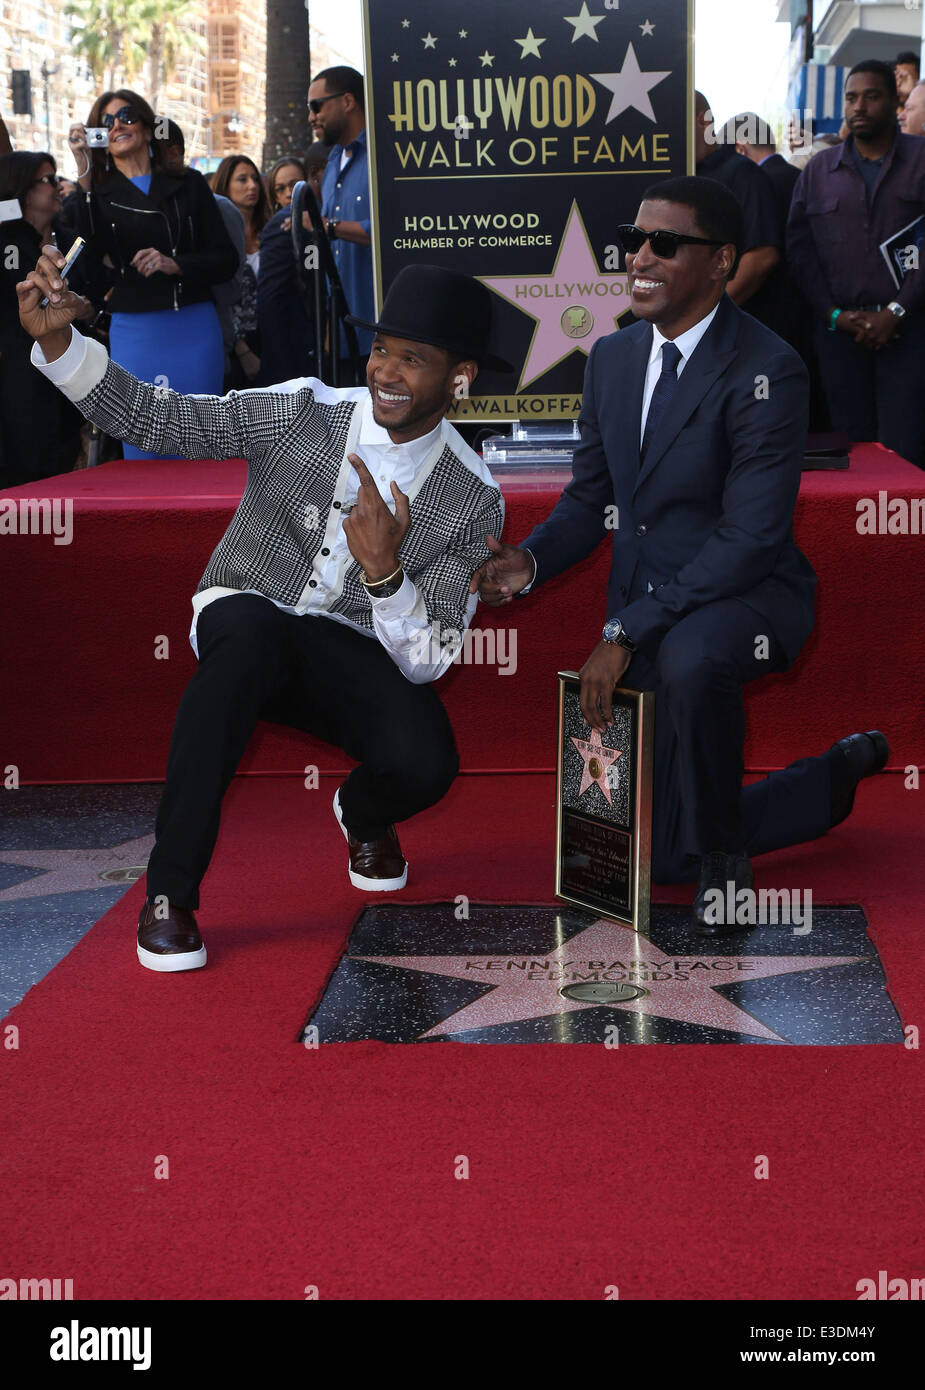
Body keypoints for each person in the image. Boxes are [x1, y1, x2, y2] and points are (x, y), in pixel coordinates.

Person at [20, 256, 509, 972]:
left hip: (349, 649)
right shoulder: (302, 408)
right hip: (247, 609)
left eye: (414, 359)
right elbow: (163, 419)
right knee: (247, 638)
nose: (386, 372)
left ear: (459, 378)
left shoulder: (473, 499)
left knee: (427, 762)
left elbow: (427, 658)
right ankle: (169, 896)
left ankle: (363, 813)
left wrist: (384, 573)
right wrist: (63, 346)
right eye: (380, 351)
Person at [470, 176, 888, 934]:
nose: (640, 254)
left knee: (695, 658)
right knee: (659, 859)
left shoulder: (769, 367)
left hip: (745, 597)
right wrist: (528, 562)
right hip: (642, 604)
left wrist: (623, 632)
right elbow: (589, 499)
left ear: (721, 262)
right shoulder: (611, 359)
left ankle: (727, 863)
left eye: (665, 243)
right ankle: (825, 783)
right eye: (634, 238)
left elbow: (750, 537)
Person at [67, 88, 237, 459]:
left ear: (147, 127)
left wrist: (176, 263)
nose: (116, 126)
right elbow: (87, 257)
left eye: (126, 115)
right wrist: (83, 175)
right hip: (135, 332)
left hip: (193, 324)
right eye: (105, 122)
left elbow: (226, 259)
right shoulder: (97, 195)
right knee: (144, 449)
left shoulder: (189, 183)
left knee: (203, 444)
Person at [787, 60, 925, 468]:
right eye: (851, 98)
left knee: (907, 452)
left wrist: (897, 311)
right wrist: (833, 314)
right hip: (840, 338)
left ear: (894, 99)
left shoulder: (921, 160)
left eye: (871, 96)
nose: (859, 106)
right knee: (853, 454)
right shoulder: (818, 171)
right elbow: (800, 249)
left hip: (911, 333)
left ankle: (906, 532)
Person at [0, 152, 98, 487]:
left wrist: (87, 308)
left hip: (70, 372)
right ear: (24, 189)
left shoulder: (70, 238)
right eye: (49, 180)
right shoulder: (5, 240)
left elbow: (95, 292)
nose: (58, 186)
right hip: (18, 379)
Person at [309, 65, 373, 382]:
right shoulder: (333, 159)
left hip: (379, 333)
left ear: (347, 101)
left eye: (316, 106)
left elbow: (385, 231)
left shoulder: (381, 154)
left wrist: (326, 226)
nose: (311, 117)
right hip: (340, 335)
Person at [695, 93, 781, 312]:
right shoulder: (676, 174)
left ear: (703, 121)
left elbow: (762, 256)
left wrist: (703, 314)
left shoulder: (742, 172)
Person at [256, 143, 331, 387]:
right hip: (294, 353)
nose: (289, 193)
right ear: (274, 196)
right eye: (281, 188)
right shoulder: (281, 226)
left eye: (295, 184)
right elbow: (270, 300)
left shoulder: (319, 219)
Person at [212, 155, 271, 388]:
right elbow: (223, 296)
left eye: (255, 179)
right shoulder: (217, 236)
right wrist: (242, 350)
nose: (252, 186)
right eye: (242, 179)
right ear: (225, 185)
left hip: (269, 338)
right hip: (233, 344)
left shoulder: (271, 230)